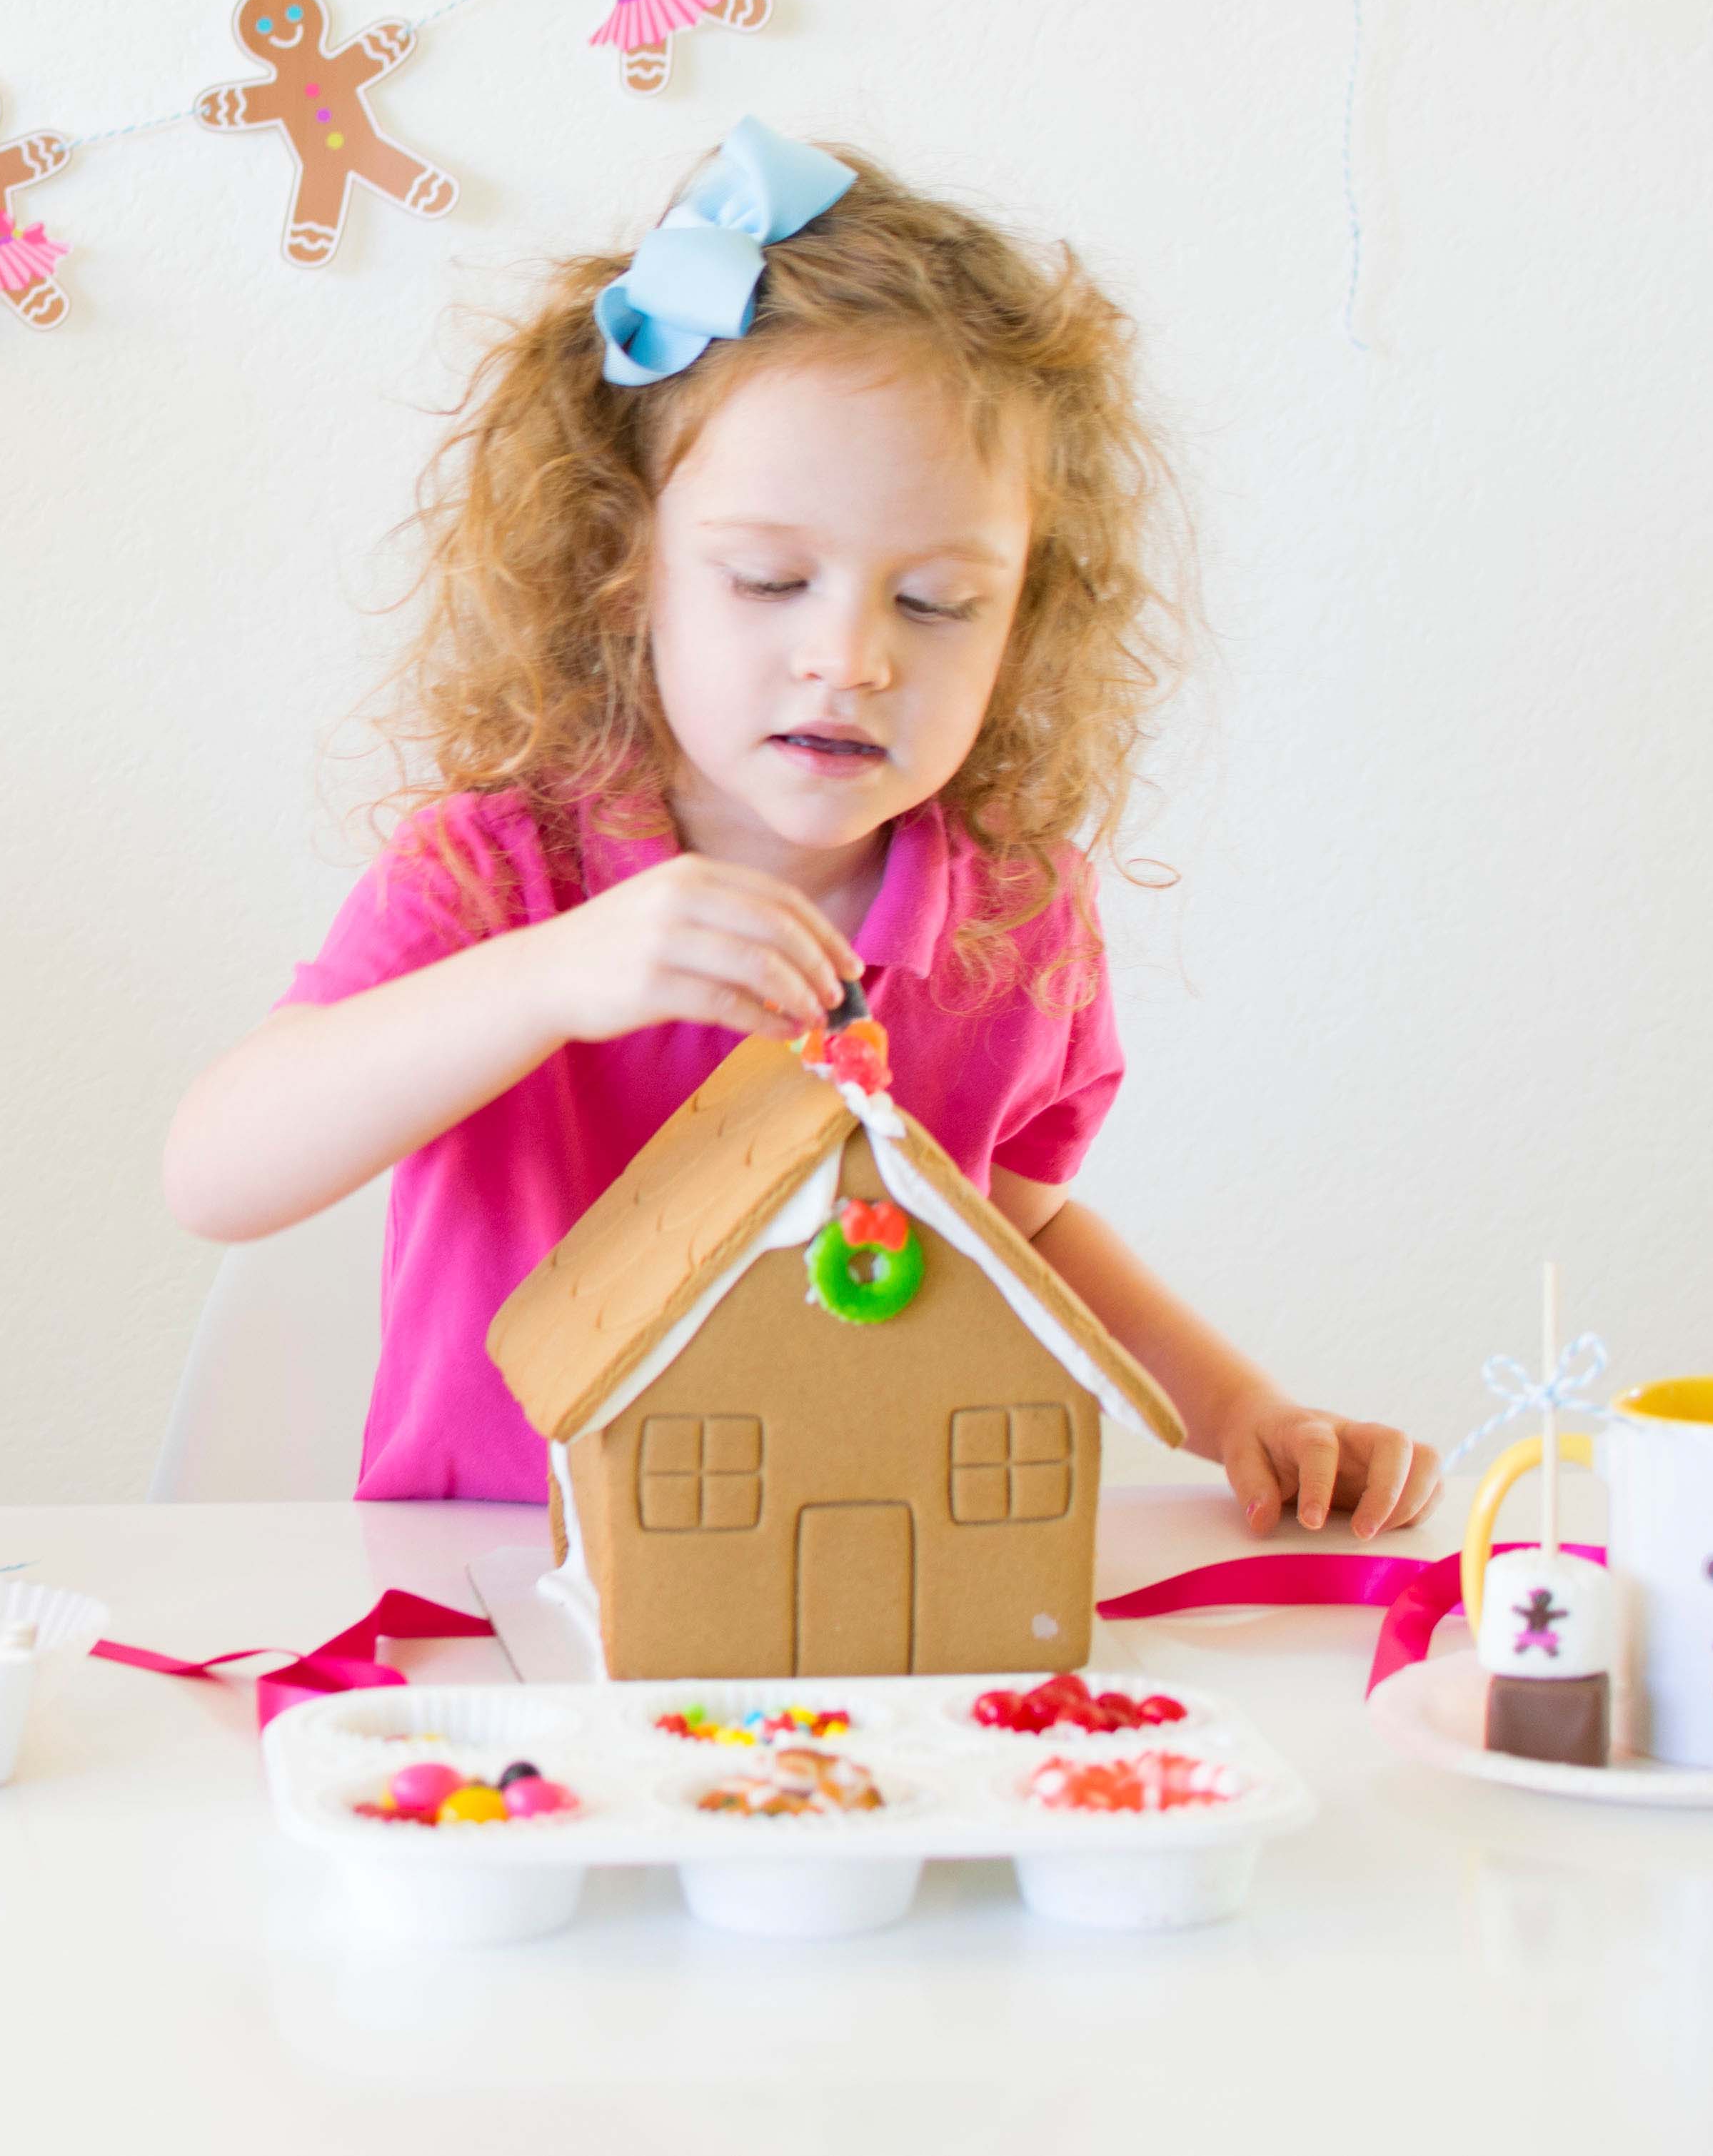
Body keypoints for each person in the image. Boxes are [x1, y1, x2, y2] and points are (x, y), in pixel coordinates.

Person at [164, 121, 1435, 1537]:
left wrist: (1238, 1412)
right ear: (624, 572)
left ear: (1023, 624)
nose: (850, 657)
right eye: (770, 580)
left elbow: (1008, 1234)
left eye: (937, 602)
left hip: (831, 1592)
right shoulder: (499, 874)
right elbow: (215, 1172)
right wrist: (548, 981)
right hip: (492, 1581)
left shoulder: (1014, 920)